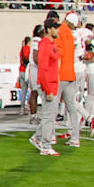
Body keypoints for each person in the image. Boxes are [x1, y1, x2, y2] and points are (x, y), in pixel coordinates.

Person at [31, 24, 62, 157]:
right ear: (49, 29)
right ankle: (46, 145)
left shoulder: (50, 44)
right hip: (48, 83)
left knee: (50, 115)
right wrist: (47, 89)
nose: (58, 30)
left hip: (52, 83)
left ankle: (38, 137)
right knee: (49, 117)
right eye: (55, 27)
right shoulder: (44, 44)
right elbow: (42, 69)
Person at [54, 11, 84, 148]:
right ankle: (75, 137)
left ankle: (48, 137)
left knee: (53, 107)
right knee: (72, 108)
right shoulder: (71, 36)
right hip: (71, 72)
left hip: (61, 74)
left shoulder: (60, 32)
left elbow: (59, 54)